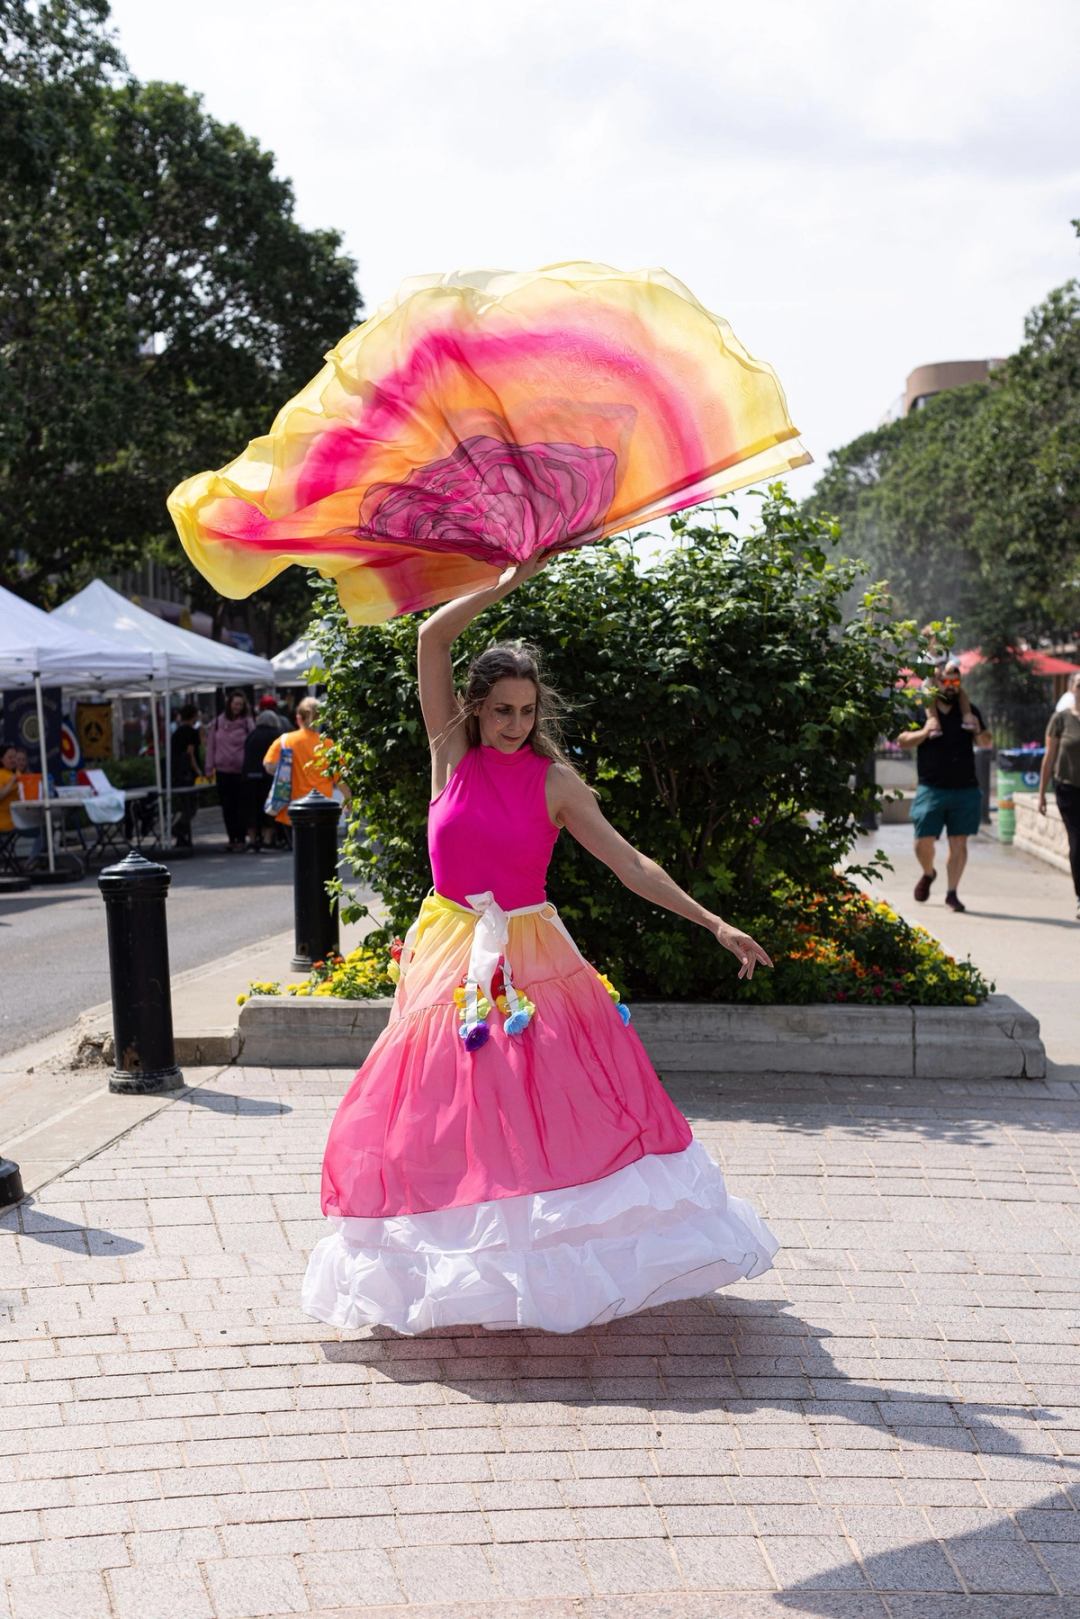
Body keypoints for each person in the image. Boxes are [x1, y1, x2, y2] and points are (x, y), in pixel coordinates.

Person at [301, 555, 777, 1337]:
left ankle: (538, 1272)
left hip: (533, 962)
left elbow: (631, 864)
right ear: (475, 708)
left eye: (526, 710)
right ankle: (456, 1270)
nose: (515, 724)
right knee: (435, 1113)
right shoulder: (450, 755)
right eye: (502, 710)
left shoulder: (556, 783)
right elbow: (429, 639)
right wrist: (508, 581)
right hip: (448, 956)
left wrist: (713, 921)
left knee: (544, 1118)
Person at [897, 659, 992, 913]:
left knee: (959, 842)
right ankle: (928, 873)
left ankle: (952, 892)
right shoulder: (921, 711)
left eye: (955, 681)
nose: (951, 685)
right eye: (946, 681)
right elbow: (902, 740)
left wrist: (978, 729)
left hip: (965, 787)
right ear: (936, 683)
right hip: (932, 787)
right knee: (922, 841)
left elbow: (986, 742)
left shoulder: (969, 710)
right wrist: (924, 732)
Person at [262, 696, 344, 831]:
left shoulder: (285, 740)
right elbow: (340, 778)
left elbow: (269, 766)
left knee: (298, 844)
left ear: (298, 718)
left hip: (293, 809)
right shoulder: (329, 744)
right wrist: (348, 801)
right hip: (323, 809)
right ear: (321, 718)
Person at [1038, 695, 1080, 919]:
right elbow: (1049, 756)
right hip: (1068, 789)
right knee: (1077, 841)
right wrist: (1041, 793)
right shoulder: (1061, 720)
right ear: (1073, 689)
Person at [205, 691, 254, 852]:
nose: (237, 707)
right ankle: (232, 838)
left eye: (240, 704)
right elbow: (211, 746)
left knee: (241, 806)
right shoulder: (217, 722)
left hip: (241, 771)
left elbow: (252, 742)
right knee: (227, 806)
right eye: (235, 704)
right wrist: (209, 767)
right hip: (222, 771)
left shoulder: (247, 722)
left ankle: (241, 838)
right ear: (229, 704)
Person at [242, 700, 288, 852]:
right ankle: (268, 840)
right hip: (268, 777)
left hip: (249, 777)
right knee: (269, 808)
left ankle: (252, 840)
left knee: (251, 809)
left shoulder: (252, 735)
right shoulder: (276, 735)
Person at [170, 703, 202, 849]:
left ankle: (182, 838)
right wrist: (198, 771)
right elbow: (190, 753)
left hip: (177, 773)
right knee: (191, 807)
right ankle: (178, 829)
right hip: (188, 774)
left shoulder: (176, 733)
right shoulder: (191, 732)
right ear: (193, 715)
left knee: (185, 806)